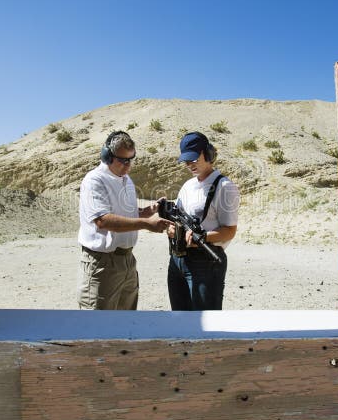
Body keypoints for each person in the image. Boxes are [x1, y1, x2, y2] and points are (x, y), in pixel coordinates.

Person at [78, 130, 171, 310]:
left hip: (127, 261)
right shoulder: (94, 181)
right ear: (107, 156)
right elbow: (103, 220)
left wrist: (148, 211)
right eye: (123, 160)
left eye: (131, 159)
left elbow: (127, 214)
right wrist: (146, 224)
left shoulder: (126, 180)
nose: (128, 165)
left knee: (125, 323)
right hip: (102, 262)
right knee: (97, 328)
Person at [167, 131, 240, 310]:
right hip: (178, 260)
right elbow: (177, 215)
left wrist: (203, 237)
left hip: (206, 263)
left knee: (207, 324)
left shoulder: (225, 187)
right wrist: (172, 229)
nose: (189, 164)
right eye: (186, 160)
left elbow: (230, 230)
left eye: (193, 158)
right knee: (179, 320)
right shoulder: (188, 185)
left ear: (208, 154)